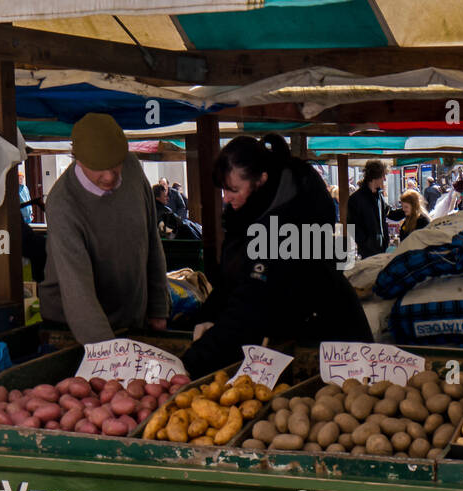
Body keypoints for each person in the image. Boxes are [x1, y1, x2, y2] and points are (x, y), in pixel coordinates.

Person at [182, 134, 371, 377]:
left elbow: (250, 307)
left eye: (233, 190)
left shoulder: (286, 225)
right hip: (293, 340)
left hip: (330, 345)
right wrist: (209, 315)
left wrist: (190, 363)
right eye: (224, 190)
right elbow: (236, 282)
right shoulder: (249, 215)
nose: (226, 198)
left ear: (261, 180)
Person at [39, 113, 169, 343]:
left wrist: (158, 308)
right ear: (77, 159)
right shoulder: (63, 204)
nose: (109, 176)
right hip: (73, 330)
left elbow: (151, 241)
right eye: (99, 169)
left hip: (131, 319)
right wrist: (108, 354)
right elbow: (77, 291)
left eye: (115, 166)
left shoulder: (133, 169)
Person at [346, 159, 402, 259]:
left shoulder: (378, 196)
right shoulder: (356, 199)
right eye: (383, 176)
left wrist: (408, 209)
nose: (384, 179)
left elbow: (390, 213)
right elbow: (351, 225)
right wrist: (365, 243)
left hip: (382, 248)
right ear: (375, 176)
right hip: (368, 252)